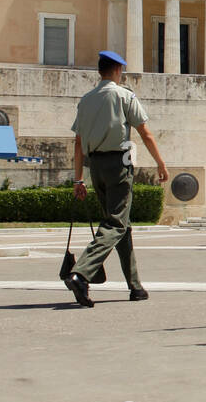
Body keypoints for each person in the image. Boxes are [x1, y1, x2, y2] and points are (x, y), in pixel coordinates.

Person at [64, 50, 170, 308]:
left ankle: (135, 286)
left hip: (95, 167)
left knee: (122, 224)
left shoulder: (86, 99)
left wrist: (78, 180)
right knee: (115, 224)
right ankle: (81, 272)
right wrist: (160, 163)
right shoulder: (123, 96)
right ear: (117, 71)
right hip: (118, 165)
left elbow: (78, 143)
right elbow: (145, 133)